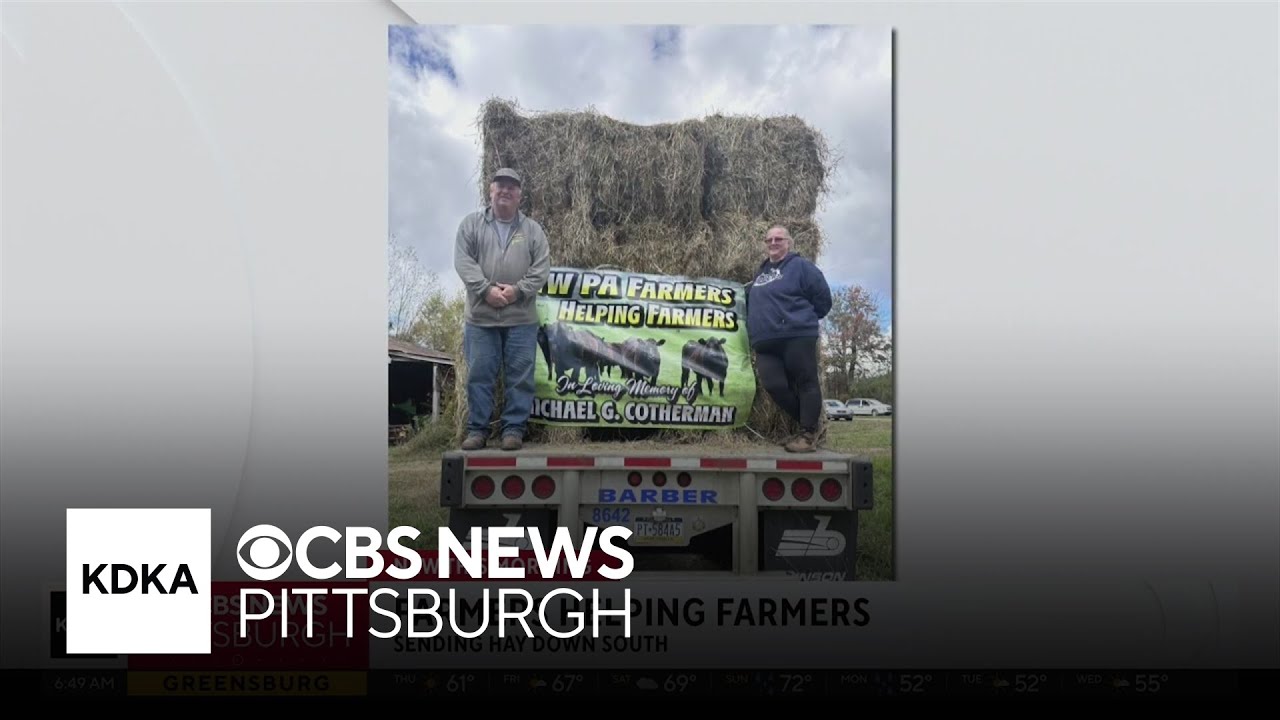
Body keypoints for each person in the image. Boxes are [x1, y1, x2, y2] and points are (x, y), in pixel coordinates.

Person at [453, 167, 551, 451]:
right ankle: (477, 431)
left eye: (512, 187)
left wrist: (517, 291)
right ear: (490, 190)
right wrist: (486, 290)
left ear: (520, 195)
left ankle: (513, 430)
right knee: (480, 374)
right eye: (501, 186)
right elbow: (463, 262)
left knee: (520, 375)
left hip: (521, 318)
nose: (506, 191)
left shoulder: (532, 229)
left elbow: (541, 267)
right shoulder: (471, 225)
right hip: (481, 318)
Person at [745, 225, 833, 453]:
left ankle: (807, 434)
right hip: (765, 342)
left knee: (806, 382)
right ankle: (811, 426)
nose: (773, 243)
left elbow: (823, 298)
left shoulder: (801, 266)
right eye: (769, 240)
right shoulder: (761, 273)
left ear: (788, 242)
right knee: (773, 385)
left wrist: (802, 319)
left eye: (779, 239)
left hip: (796, 335)